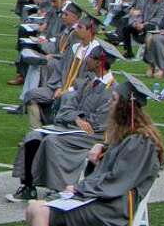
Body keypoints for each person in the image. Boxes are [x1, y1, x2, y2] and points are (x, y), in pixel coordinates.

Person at [0, 75, 164, 226]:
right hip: (101, 198)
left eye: (113, 100)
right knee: (33, 206)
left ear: (125, 107)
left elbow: (117, 182)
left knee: (40, 211)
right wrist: (100, 149)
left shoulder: (141, 142)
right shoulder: (125, 137)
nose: (109, 104)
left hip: (112, 208)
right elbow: (109, 174)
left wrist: (79, 189)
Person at [9, 44, 117, 202]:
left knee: (53, 141)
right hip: (71, 127)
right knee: (33, 135)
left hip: (93, 135)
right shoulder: (88, 82)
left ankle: (58, 188)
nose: (86, 60)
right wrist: (76, 118)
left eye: (90, 58)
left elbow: (99, 123)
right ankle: (28, 186)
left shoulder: (112, 90)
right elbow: (66, 107)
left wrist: (76, 119)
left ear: (99, 62)